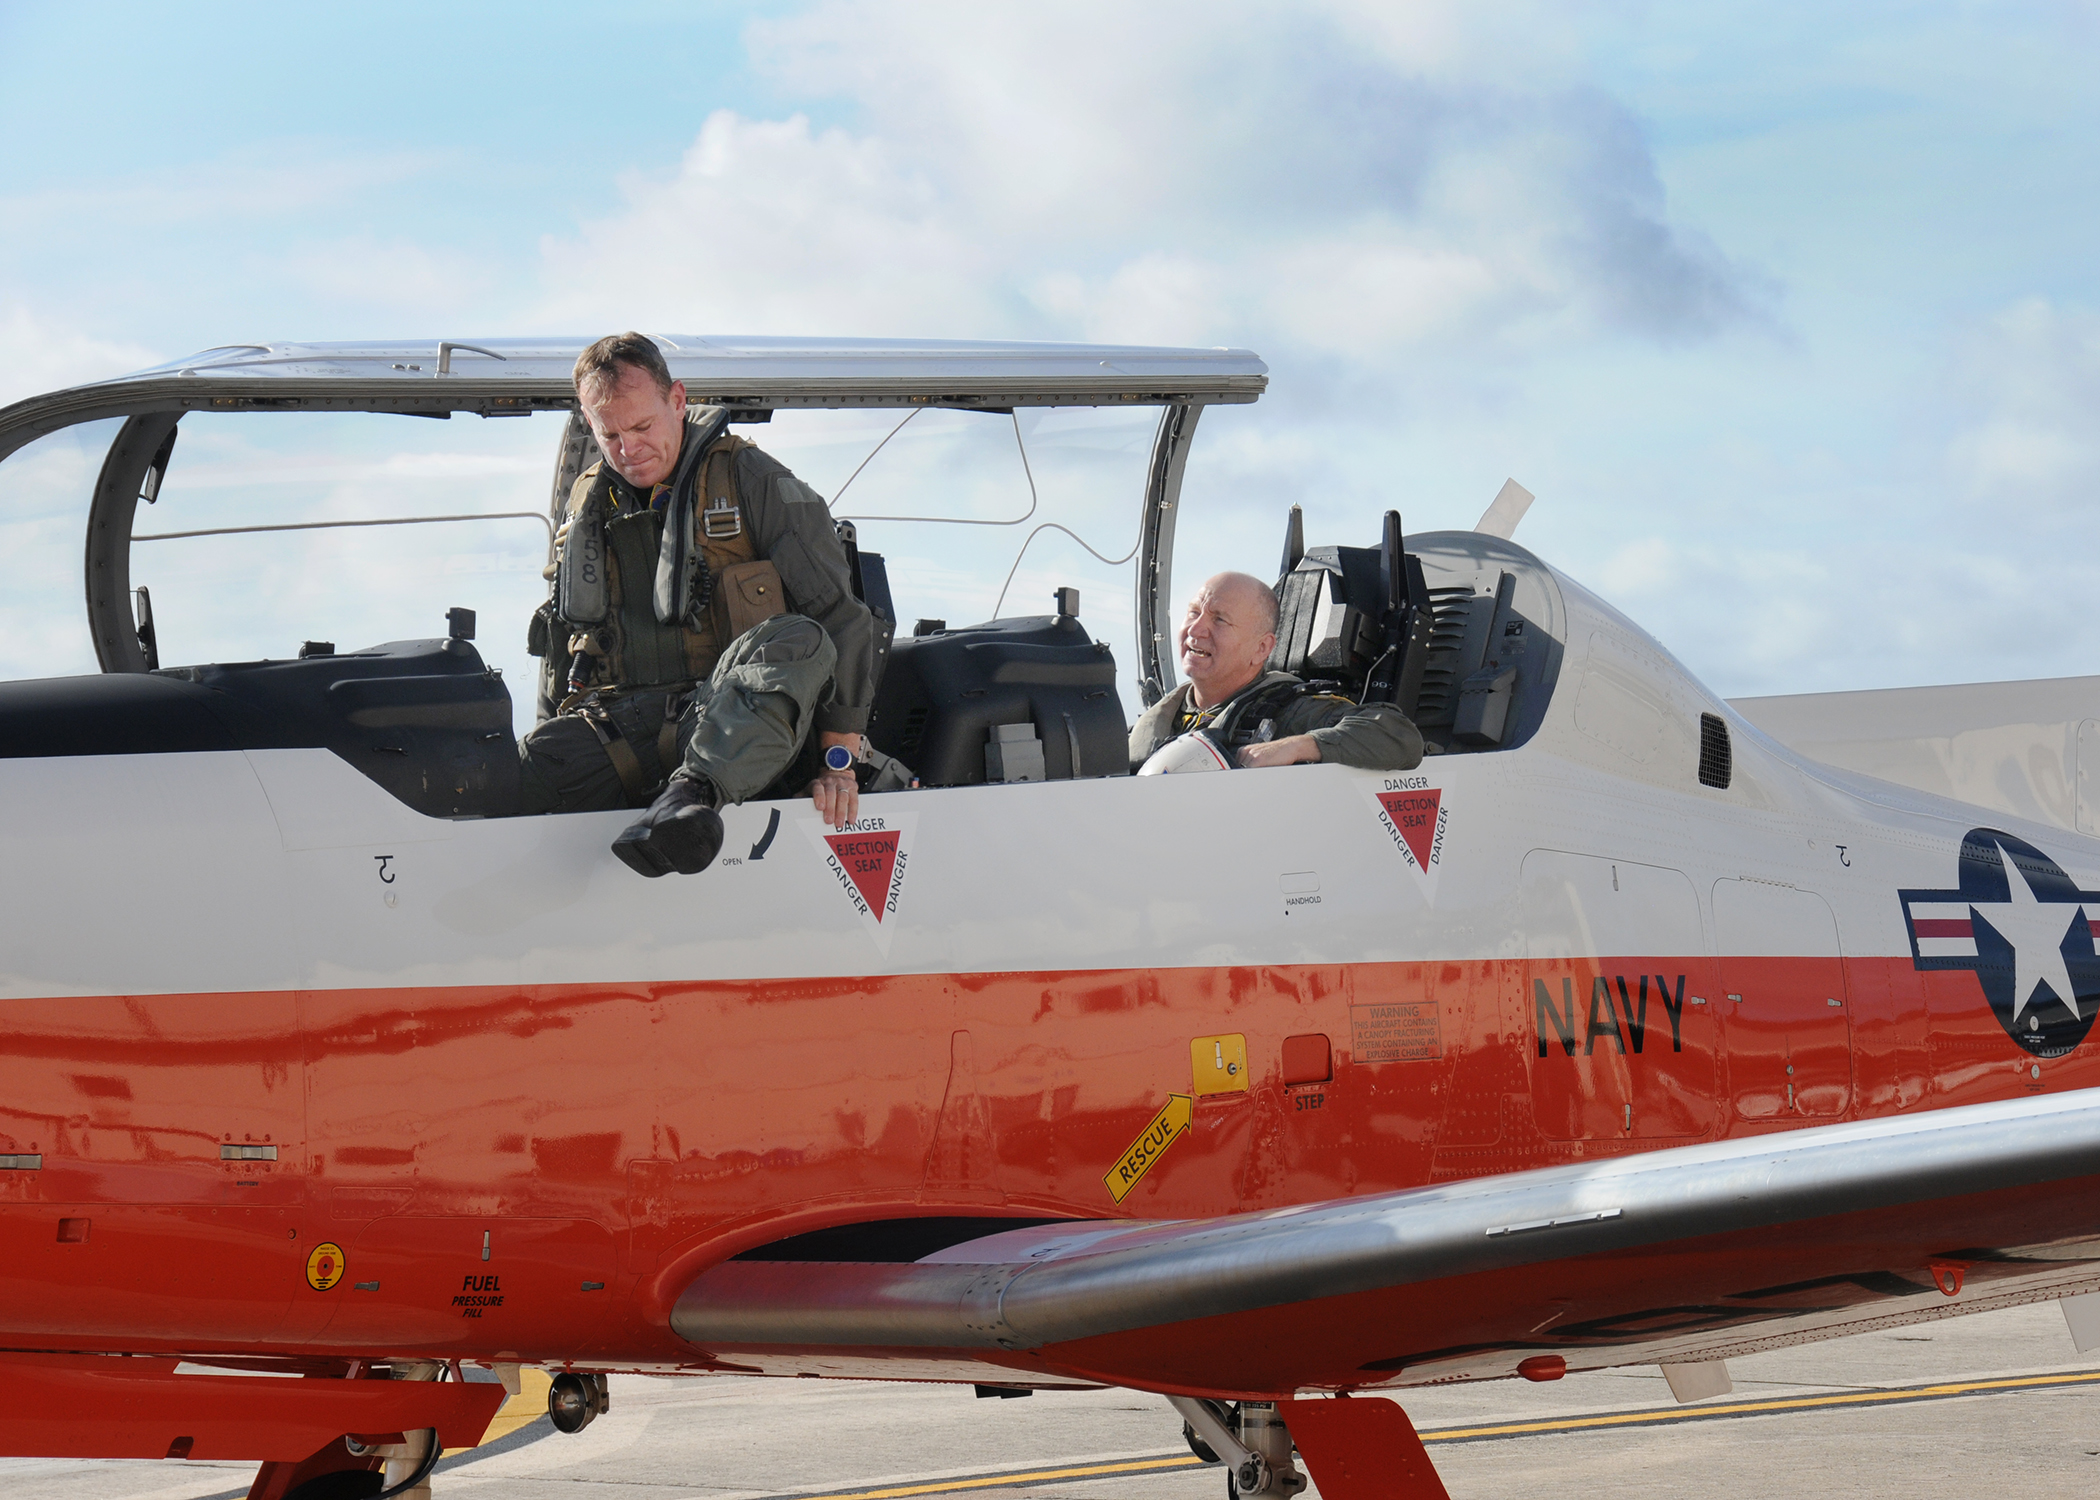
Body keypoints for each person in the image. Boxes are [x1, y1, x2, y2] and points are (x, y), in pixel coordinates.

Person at [520, 333, 879, 877]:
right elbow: (559, 644)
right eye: (609, 433)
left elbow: (841, 620)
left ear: (678, 400)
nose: (628, 448)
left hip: (723, 720)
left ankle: (693, 796)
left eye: (642, 427)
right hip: (618, 731)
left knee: (800, 640)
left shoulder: (750, 481)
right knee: (498, 773)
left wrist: (839, 766)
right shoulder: (585, 506)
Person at [1128, 571, 1423, 772]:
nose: (1196, 629)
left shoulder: (1291, 713)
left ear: (1261, 648)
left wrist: (1300, 746)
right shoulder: (1161, 722)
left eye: (1220, 620)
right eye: (1194, 612)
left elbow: (1400, 736)